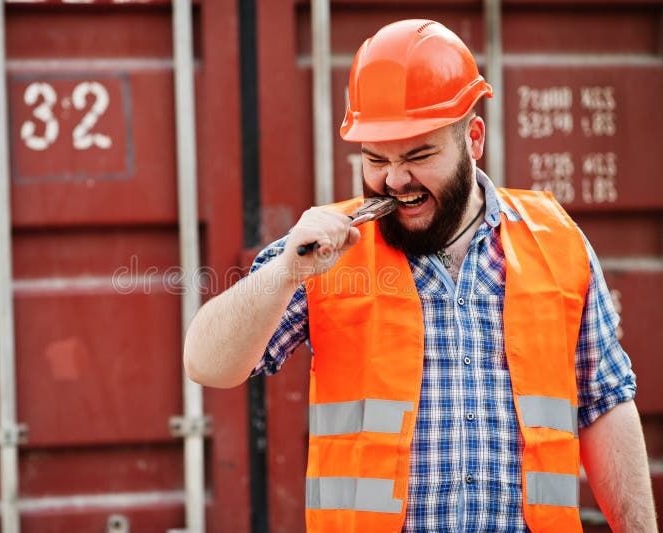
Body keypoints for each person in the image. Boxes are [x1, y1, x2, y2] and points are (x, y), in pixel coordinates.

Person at [184, 19, 657, 533]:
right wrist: (285, 272)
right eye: (374, 158)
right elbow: (207, 364)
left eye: (419, 154)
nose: (393, 179)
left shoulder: (557, 242)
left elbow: (605, 405)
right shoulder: (322, 251)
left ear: (472, 138)